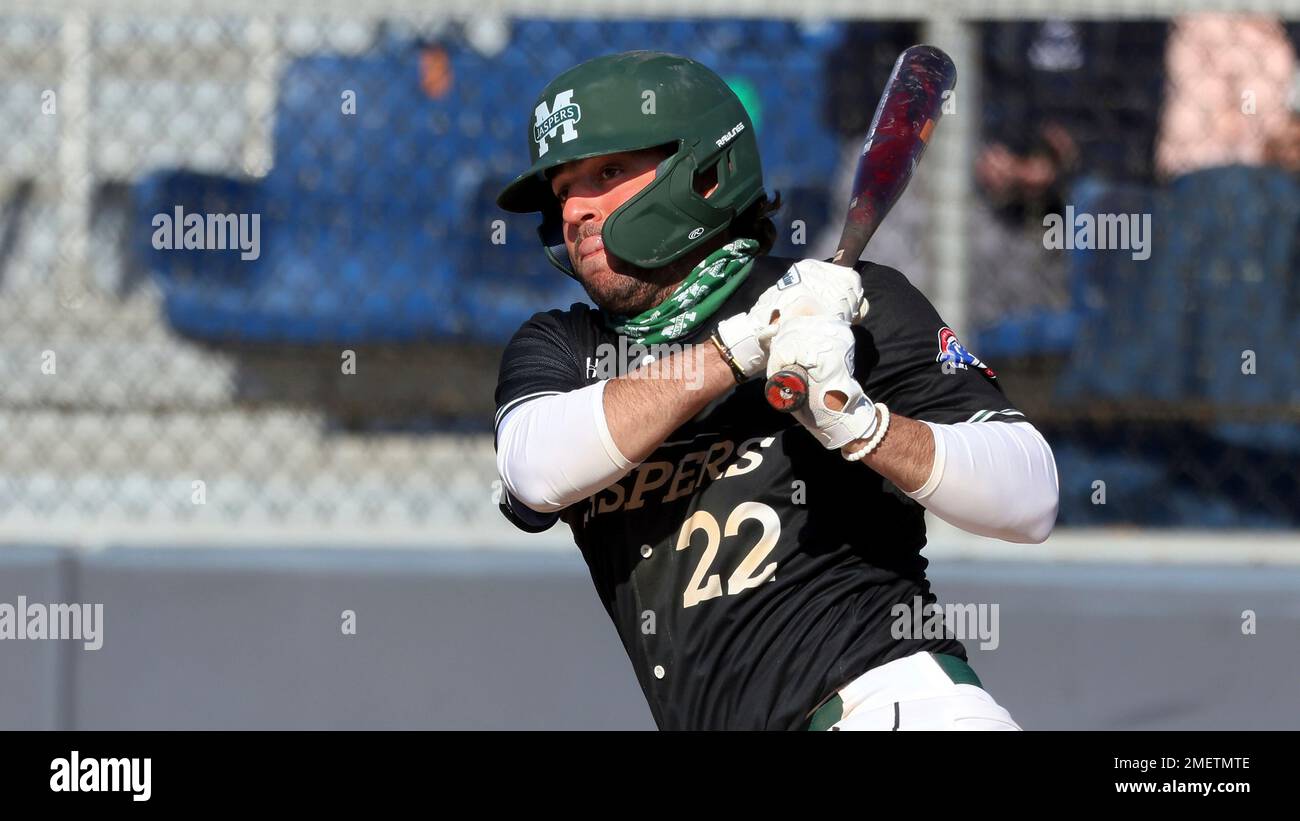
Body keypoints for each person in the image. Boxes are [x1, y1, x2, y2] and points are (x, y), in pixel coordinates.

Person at [492, 50, 1059, 730]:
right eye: (563, 190)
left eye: (608, 173)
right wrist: (740, 347)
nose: (578, 208)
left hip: (893, 705)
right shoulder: (561, 347)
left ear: (703, 173)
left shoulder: (851, 305)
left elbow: (1031, 497)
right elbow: (535, 468)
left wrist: (861, 425)